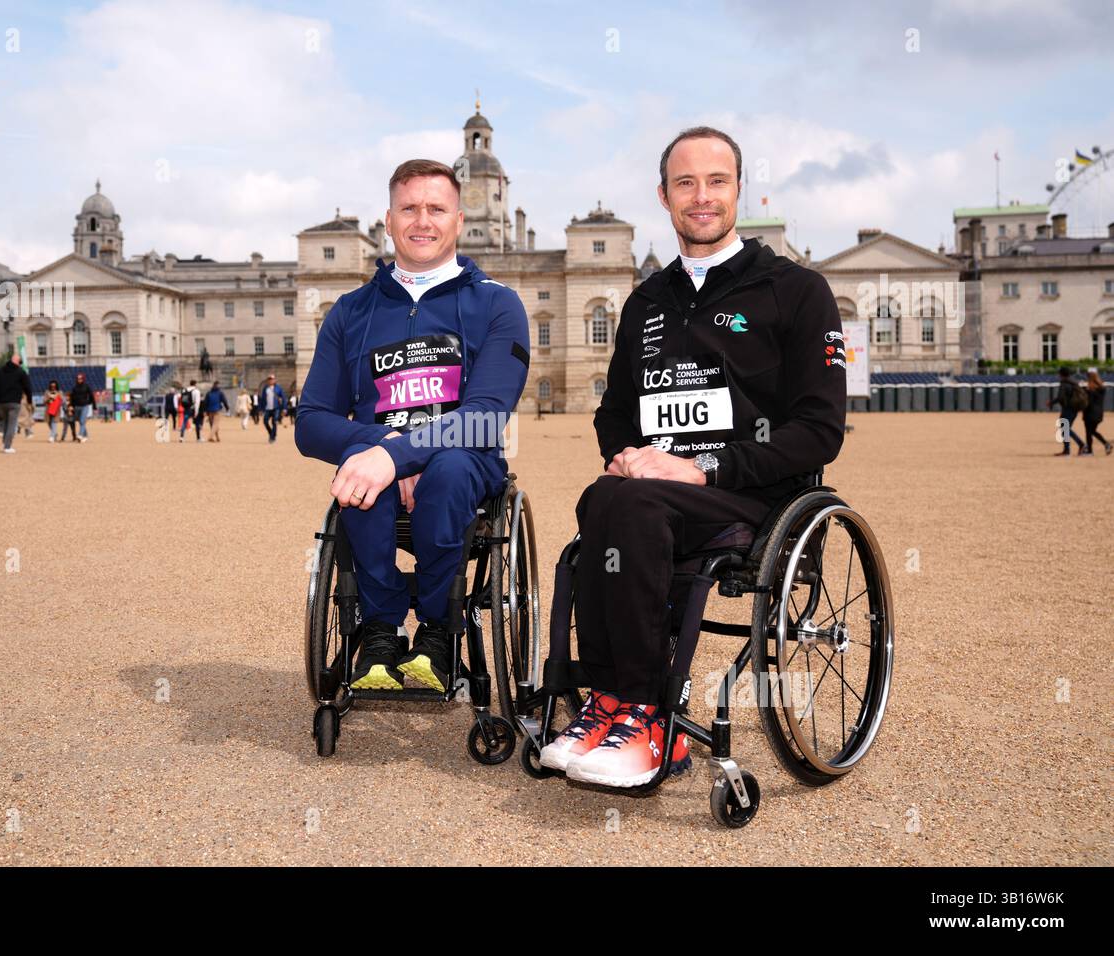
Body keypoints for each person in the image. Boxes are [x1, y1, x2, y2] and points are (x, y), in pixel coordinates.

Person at [539, 127, 847, 789]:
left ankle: (649, 719)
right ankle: (612, 705)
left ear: (737, 189)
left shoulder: (795, 291)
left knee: (627, 502)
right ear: (663, 195)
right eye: (685, 183)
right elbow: (615, 412)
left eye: (716, 181)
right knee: (607, 495)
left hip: (752, 493)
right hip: (648, 497)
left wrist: (704, 467)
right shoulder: (647, 300)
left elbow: (820, 429)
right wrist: (626, 455)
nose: (701, 197)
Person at [296, 158, 529, 693]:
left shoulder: (498, 304)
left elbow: (487, 415)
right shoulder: (350, 311)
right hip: (374, 461)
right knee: (364, 478)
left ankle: (439, 627)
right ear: (389, 219)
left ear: (459, 220)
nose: (422, 220)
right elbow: (310, 423)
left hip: (465, 465)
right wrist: (386, 448)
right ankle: (379, 630)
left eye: (436, 208)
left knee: (444, 467)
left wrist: (400, 456)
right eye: (410, 208)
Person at [0, 353, 33, 453]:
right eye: (20, 362)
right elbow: (28, 387)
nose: (20, 364)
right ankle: (7, 447)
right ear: (17, 362)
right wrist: (29, 400)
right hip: (14, 402)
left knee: (6, 422)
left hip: (1, 403)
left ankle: (5, 442)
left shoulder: (0, 371)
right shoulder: (20, 372)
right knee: (12, 424)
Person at [1047, 366, 1088, 456]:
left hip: (1068, 409)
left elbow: (1060, 397)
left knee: (1065, 428)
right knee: (1065, 429)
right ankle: (1068, 450)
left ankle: (1080, 445)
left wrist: (1051, 403)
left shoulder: (1064, 384)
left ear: (1061, 374)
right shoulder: (1073, 383)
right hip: (1074, 409)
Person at [1080, 368, 1110, 455]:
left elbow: (1088, 402)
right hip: (1099, 413)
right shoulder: (1102, 388)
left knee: (1089, 432)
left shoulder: (1090, 390)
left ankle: (1090, 451)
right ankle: (1106, 444)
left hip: (1090, 413)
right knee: (1092, 431)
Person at [259, 374, 285, 444]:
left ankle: (272, 438)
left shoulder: (278, 388)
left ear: (274, 380)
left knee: (274, 422)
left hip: (276, 408)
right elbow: (263, 399)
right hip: (267, 408)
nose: (270, 380)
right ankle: (272, 433)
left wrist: (284, 408)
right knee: (265, 421)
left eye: (272, 379)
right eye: (269, 379)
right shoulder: (265, 388)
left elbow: (283, 398)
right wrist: (261, 409)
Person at [69, 373, 94, 442]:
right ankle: (85, 435)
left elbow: (91, 395)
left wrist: (93, 405)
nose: (79, 380)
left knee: (82, 421)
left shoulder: (86, 386)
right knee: (80, 421)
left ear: (83, 379)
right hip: (77, 406)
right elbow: (72, 398)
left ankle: (80, 435)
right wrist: (71, 406)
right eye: (78, 378)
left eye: (80, 378)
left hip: (85, 406)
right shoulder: (74, 388)